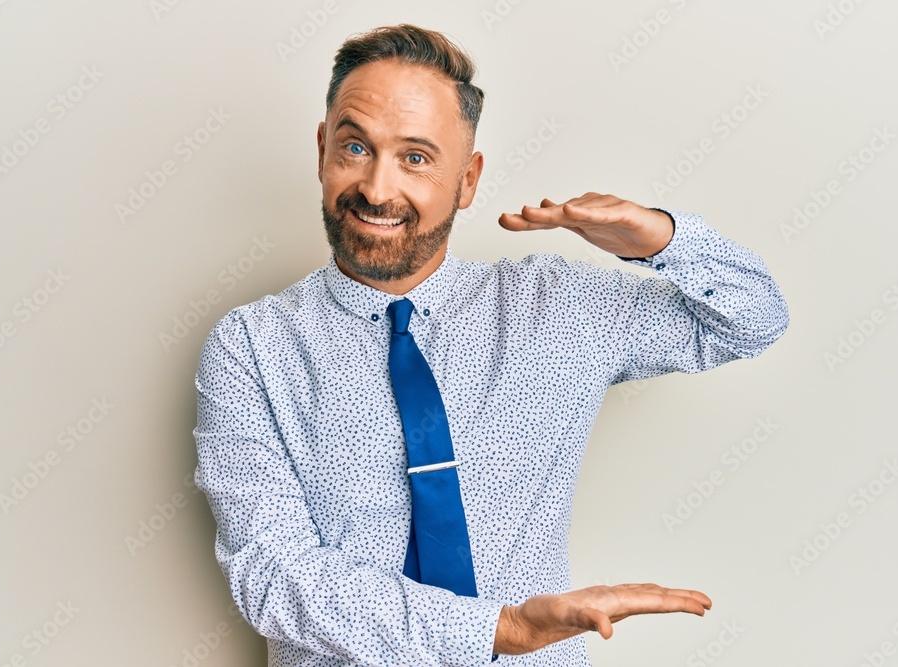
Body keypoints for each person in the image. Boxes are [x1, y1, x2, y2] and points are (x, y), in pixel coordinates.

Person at [192, 23, 788, 667]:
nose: (377, 188)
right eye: (355, 147)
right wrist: (497, 631)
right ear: (321, 151)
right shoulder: (250, 347)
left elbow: (753, 317)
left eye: (416, 158)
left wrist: (663, 242)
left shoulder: (558, 308)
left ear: (468, 180)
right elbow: (275, 579)